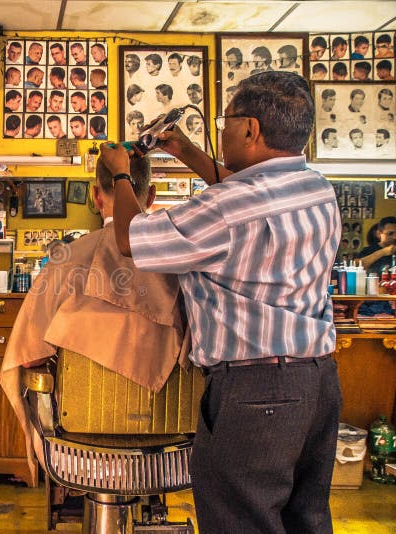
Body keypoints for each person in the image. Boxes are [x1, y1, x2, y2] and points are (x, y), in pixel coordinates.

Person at [100, 70, 341, 533]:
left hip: (258, 395)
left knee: (241, 521)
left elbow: (131, 238)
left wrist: (121, 174)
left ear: (251, 129)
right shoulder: (317, 188)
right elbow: (243, 191)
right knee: (304, 519)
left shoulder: (227, 207)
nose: (222, 129)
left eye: (225, 121)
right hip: (318, 384)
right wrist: (186, 151)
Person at [0, 155, 188, 485]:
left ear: (96, 196)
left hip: (76, 453)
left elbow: (28, 357)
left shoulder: (64, 262)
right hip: (174, 453)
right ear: (152, 196)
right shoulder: (183, 263)